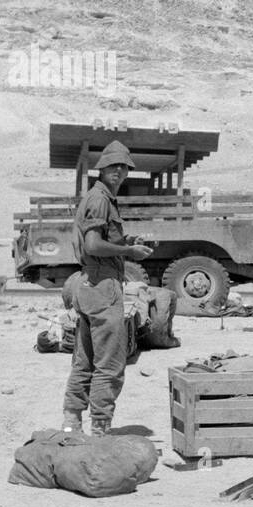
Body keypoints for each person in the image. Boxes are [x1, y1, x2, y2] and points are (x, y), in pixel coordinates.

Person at [61, 141, 153, 436]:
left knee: (84, 360)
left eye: (124, 167)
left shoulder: (96, 197)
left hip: (89, 284)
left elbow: (98, 243)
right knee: (110, 365)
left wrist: (123, 246)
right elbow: (92, 245)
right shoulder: (100, 199)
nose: (119, 171)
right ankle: (100, 430)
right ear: (102, 169)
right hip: (102, 288)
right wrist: (128, 254)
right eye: (113, 166)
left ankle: (71, 423)